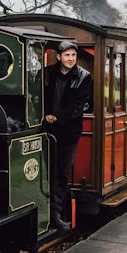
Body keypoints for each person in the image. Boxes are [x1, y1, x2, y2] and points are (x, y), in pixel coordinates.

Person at [43, 40, 92, 231]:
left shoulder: (84, 77)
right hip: (46, 129)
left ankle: (55, 214)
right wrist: (45, 114)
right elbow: (40, 96)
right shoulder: (47, 73)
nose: (71, 59)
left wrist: (57, 117)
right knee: (45, 172)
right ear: (59, 57)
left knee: (61, 172)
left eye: (73, 55)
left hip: (68, 132)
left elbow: (77, 105)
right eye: (67, 55)